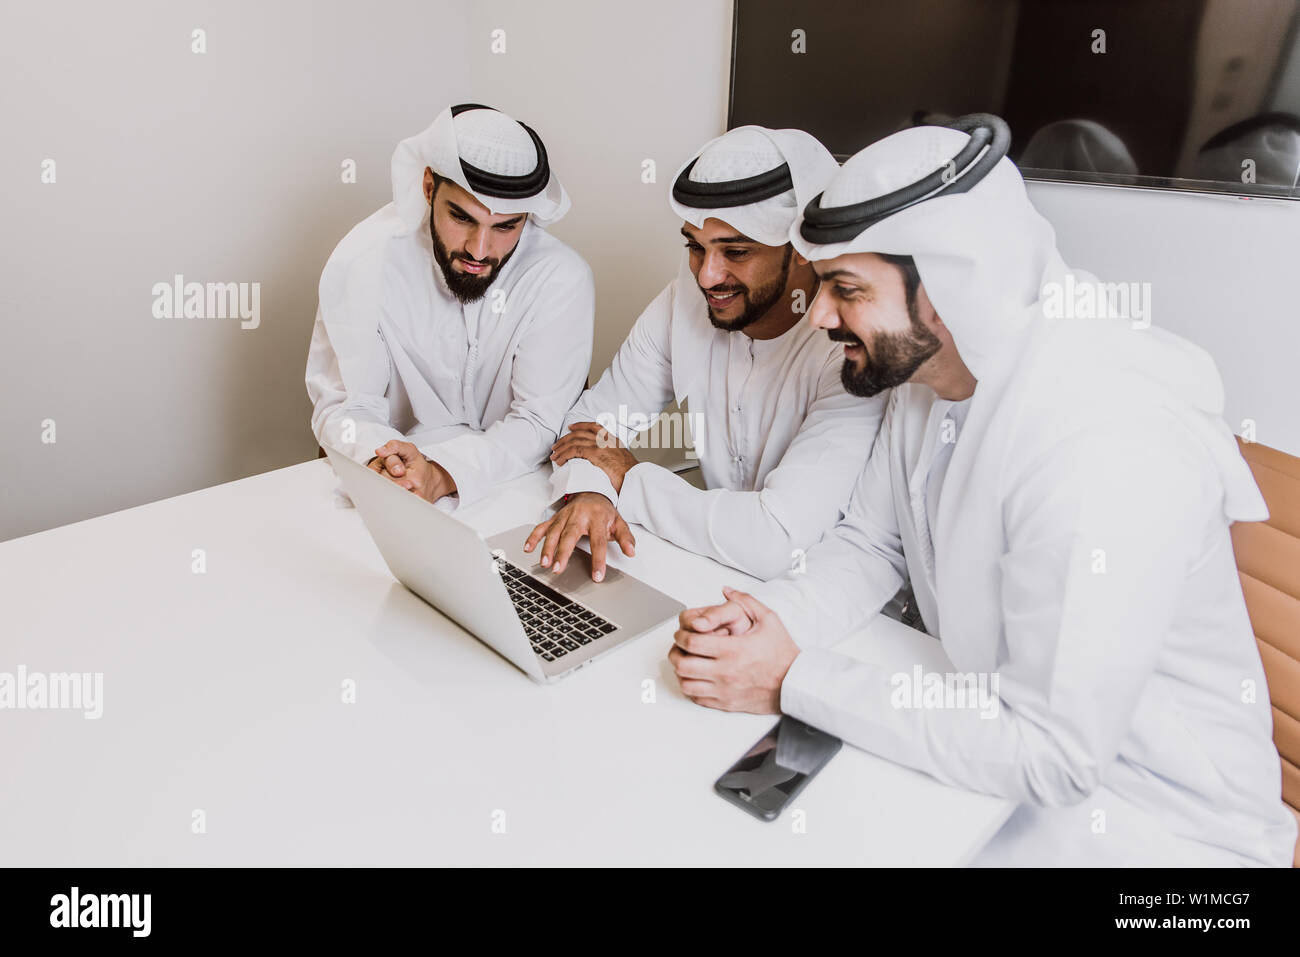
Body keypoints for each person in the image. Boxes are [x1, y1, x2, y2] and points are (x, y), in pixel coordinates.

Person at [670, 115, 1297, 866]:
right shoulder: (926, 375)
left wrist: (793, 676)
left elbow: (1053, 755)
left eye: (845, 289)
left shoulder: (1104, 437)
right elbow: (872, 544)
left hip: (1160, 838)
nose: (822, 314)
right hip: (994, 760)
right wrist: (771, 623)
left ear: (945, 289)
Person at [525, 126, 884, 582]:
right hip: (710, 575)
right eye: (695, 247)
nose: (708, 276)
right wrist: (592, 493)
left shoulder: (850, 345)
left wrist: (630, 481)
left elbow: (778, 540)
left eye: (735, 251)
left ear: (800, 250)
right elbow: (586, 429)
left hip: (823, 601)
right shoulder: (684, 304)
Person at [305, 103, 594, 508]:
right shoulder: (365, 262)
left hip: (514, 490)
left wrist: (441, 473)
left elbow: (536, 422)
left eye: (506, 227)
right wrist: (383, 460)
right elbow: (347, 405)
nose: (480, 249)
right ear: (428, 187)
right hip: (393, 492)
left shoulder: (559, 278)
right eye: (462, 218)